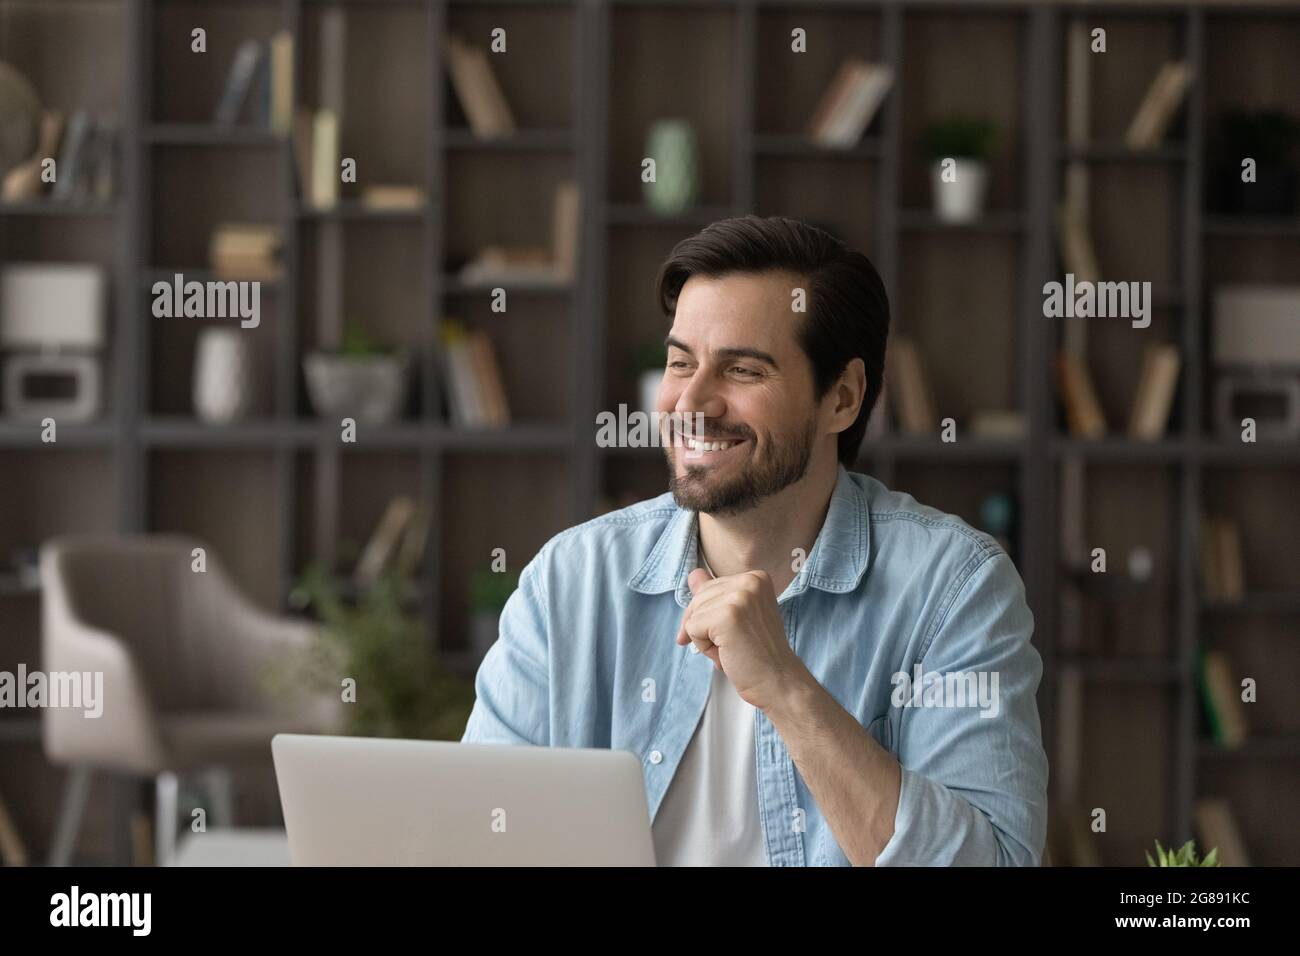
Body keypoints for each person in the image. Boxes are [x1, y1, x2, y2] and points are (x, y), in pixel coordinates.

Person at [462, 215, 1048, 866]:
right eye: (680, 362)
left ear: (843, 398)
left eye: (742, 371)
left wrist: (786, 688)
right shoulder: (570, 583)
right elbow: (479, 838)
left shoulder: (954, 588)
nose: (692, 402)